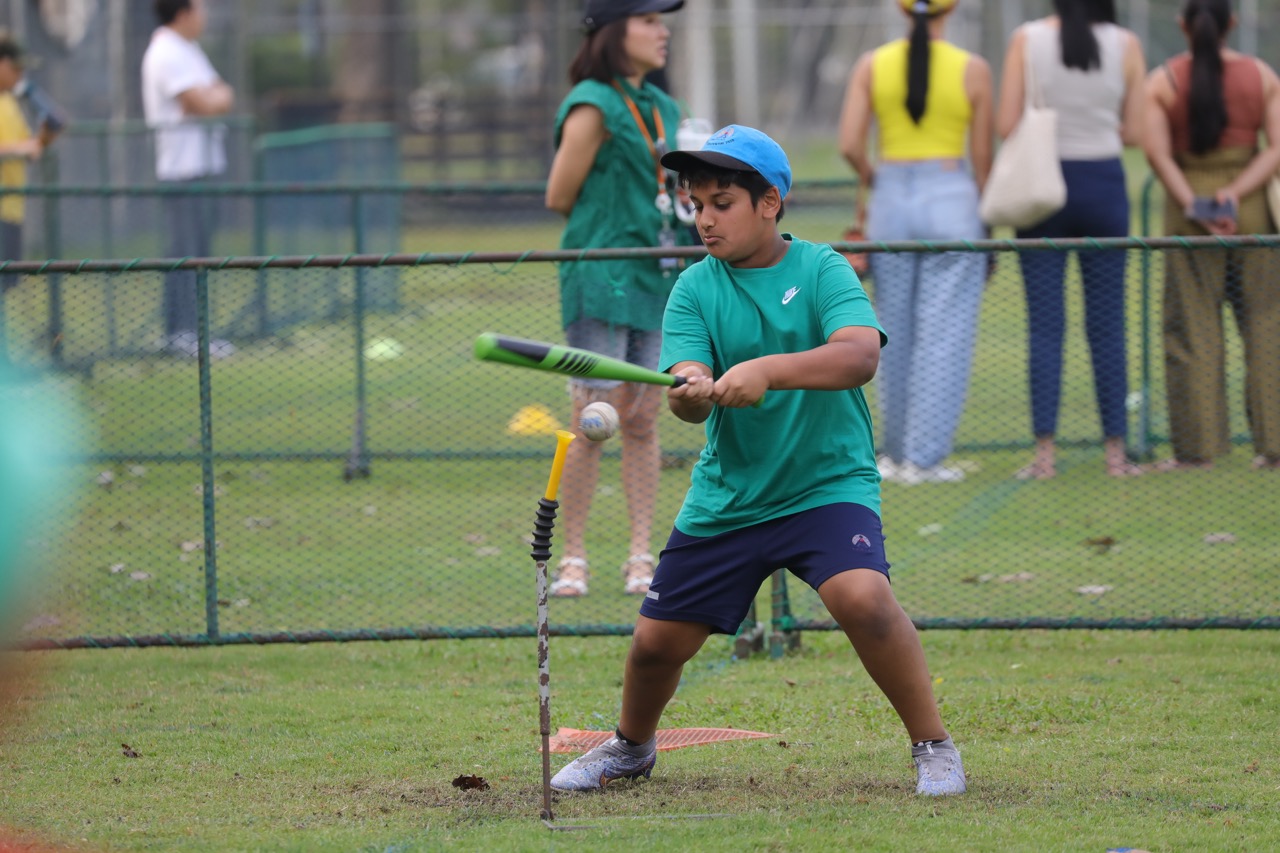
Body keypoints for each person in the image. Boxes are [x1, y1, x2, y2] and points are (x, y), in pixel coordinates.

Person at [549, 125, 967, 797]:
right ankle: (631, 747)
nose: (705, 219)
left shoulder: (822, 268)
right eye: (696, 204)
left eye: (722, 202)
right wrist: (691, 384)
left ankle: (935, 745)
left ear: (770, 202)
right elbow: (687, 387)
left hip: (826, 483)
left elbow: (860, 354)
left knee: (862, 596)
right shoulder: (693, 288)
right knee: (656, 643)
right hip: (731, 495)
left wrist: (768, 370)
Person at [544, 0, 691, 597]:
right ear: (612, 31)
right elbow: (560, 195)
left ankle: (640, 556)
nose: (664, 32)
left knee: (642, 418)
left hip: (657, 276)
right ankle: (572, 559)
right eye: (650, 20)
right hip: (601, 277)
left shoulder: (664, 108)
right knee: (593, 419)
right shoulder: (592, 103)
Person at [837, 0, 992, 485]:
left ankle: (897, 454)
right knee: (944, 336)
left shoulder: (872, 64)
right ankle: (925, 459)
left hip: (890, 205)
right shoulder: (973, 69)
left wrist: (874, 178)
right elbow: (984, 157)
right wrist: (984, 215)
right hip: (952, 196)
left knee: (893, 333)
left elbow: (849, 143)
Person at [996, 0, 1147, 480]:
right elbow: (1138, 129)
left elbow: (1006, 124)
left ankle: (1044, 456)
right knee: (1107, 322)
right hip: (1103, 184)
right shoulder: (1126, 44)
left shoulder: (1027, 39)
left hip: (1042, 188)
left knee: (1045, 325)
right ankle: (1116, 455)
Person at [1142, 0, 1280, 471]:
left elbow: (1158, 155)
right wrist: (1234, 195)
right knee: (1266, 323)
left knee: (1191, 327)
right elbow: (1276, 148)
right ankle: (1275, 445)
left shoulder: (1163, 81)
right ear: (1232, 25)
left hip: (1188, 212)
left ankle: (1197, 449)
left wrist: (1197, 206)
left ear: (1182, 27)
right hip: (1252, 209)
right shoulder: (1262, 77)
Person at [141, 0, 235, 359]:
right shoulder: (165, 52)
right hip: (182, 170)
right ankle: (181, 334)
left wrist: (213, 97)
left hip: (204, 167)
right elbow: (204, 103)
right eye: (200, 7)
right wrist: (210, 98)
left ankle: (193, 331)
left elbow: (222, 93)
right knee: (185, 253)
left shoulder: (188, 49)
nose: (205, 14)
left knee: (199, 250)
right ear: (182, 12)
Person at [0, 33, 62, 357]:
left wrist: (47, 128)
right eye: (15, 68)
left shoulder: (9, 103)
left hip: (11, 210)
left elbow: (33, 146)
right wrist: (20, 149)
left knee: (6, 288)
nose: (20, 76)